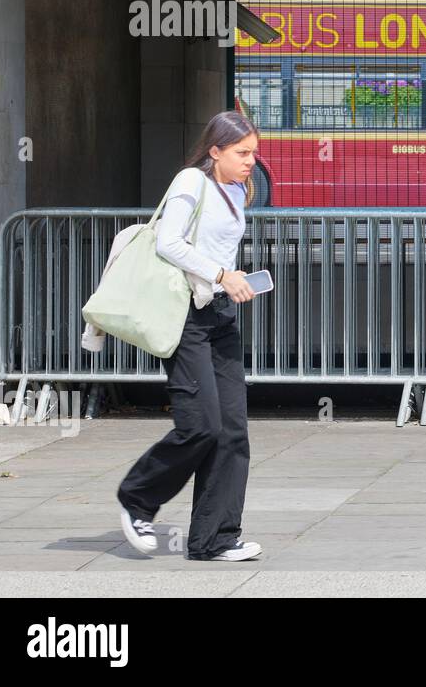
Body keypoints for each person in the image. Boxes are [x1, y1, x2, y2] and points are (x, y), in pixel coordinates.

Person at [116, 111, 262, 561]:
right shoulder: (189, 182)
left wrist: (230, 281)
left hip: (219, 314)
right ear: (214, 151)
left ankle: (214, 539)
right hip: (185, 317)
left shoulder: (237, 188)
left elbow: (217, 245)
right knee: (201, 426)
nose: (250, 162)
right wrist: (222, 273)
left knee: (233, 431)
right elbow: (168, 243)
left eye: (254, 153)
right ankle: (137, 499)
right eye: (242, 153)